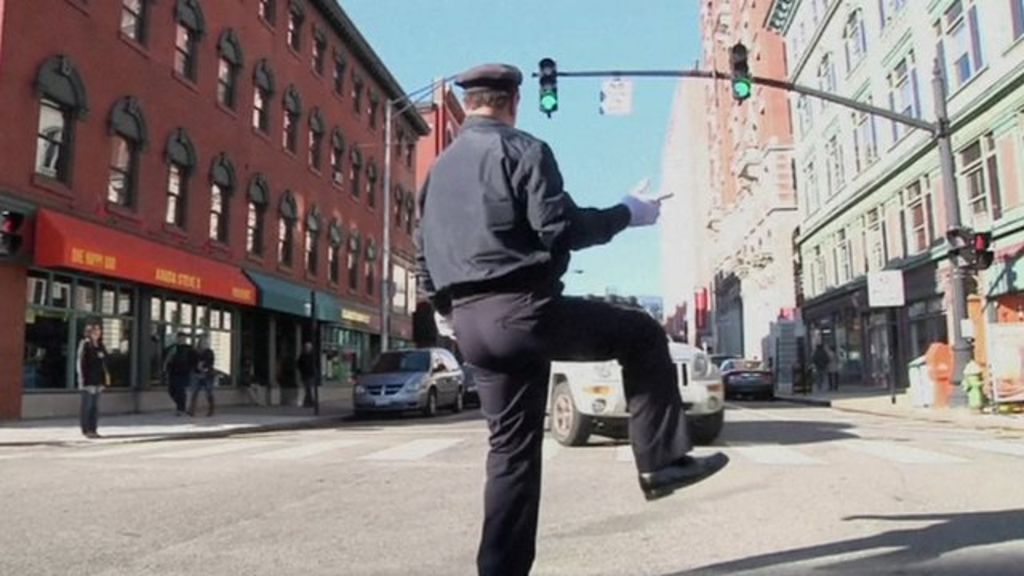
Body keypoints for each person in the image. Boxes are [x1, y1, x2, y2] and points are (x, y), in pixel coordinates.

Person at [415, 63, 729, 576]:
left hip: (469, 325)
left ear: (469, 105)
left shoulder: (437, 172)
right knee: (642, 332)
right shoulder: (523, 150)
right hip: (524, 312)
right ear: (514, 102)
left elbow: (422, 254)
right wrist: (629, 212)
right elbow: (559, 229)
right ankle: (661, 462)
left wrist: (447, 311)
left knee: (510, 454)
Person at [76, 321, 109, 438]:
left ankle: (93, 429)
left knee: (95, 407)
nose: (97, 333)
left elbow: (105, 361)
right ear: (89, 332)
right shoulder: (85, 344)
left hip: (98, 380)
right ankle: (86, 430)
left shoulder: (100, 345)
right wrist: (82, 380)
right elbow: (81, 363)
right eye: (95, 330)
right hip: (88, 381)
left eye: (99, 330)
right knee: (87, 406)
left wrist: (104, 380)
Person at [163, 332, 196, 416]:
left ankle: (180, 408)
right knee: (171, 390)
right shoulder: (173, 348)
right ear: (177, 339)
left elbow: (194, 359)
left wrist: (191, 368)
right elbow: (167, 359)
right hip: (173, 372)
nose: (181, 340)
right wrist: (165, 369)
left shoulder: (189, 349)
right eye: (180, 338)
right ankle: (181, 405)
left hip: (184, 372)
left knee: (180, 390)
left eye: (183, 338)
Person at [188, 337, 216, 417]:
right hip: (196, 374)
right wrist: (197, 367)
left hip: (207, 375)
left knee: (208, 392)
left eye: (206, 343)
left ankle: (211, 409)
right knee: (194, 392)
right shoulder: (194, 352)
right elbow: (190, 362)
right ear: (199, 343)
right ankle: (192, 410)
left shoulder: (209, 352)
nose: (205, 344)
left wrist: (204, 367)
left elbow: (211, 362)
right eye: (204, 343)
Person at [298, 342, 318, 408]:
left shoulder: (312, 356)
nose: (307, 349)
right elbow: (299, 364)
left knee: (309, 388)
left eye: (308, 347)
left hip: (311, 374)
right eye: (306, 347)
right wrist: (302, 370)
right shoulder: (302, 356)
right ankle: (309, 402)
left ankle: (308, 402)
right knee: (307, 389)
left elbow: (315, 364)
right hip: (305, 374)